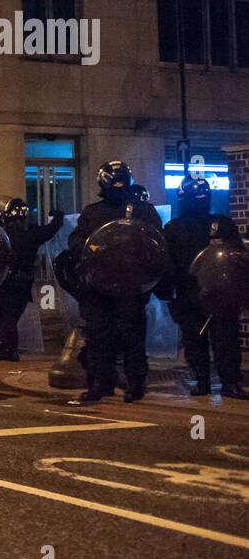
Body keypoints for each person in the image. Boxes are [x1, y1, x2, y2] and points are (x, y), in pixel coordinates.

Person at [66, 161, 162, 403]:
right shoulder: (92, 213)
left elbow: (156, 243)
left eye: (122, 180)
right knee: (99, 338)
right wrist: (94, 249)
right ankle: (100, 384)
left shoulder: (143, 211)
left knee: (131, 337)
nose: (118, 184)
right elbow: (76, 243)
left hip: (130, 284)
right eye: (115, 180)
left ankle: (135, 384)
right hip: (99, 285)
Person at [163, 176, 247, 399]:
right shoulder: (176, 228)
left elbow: (237, 258)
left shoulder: (219, 224)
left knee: (220, 341)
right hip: (196, 292)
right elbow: (167, 262)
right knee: (203, 342)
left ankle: (219, 382)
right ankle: (211, 382)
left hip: (213, 293)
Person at [0, 199, 63, 361]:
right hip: (23, 282)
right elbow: (51, 229)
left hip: (5, 281)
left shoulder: (2, 234)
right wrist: (58, 217)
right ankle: (7, 347)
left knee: (6, 317)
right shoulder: (32, 233)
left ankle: (6, 348)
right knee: (12, 316)